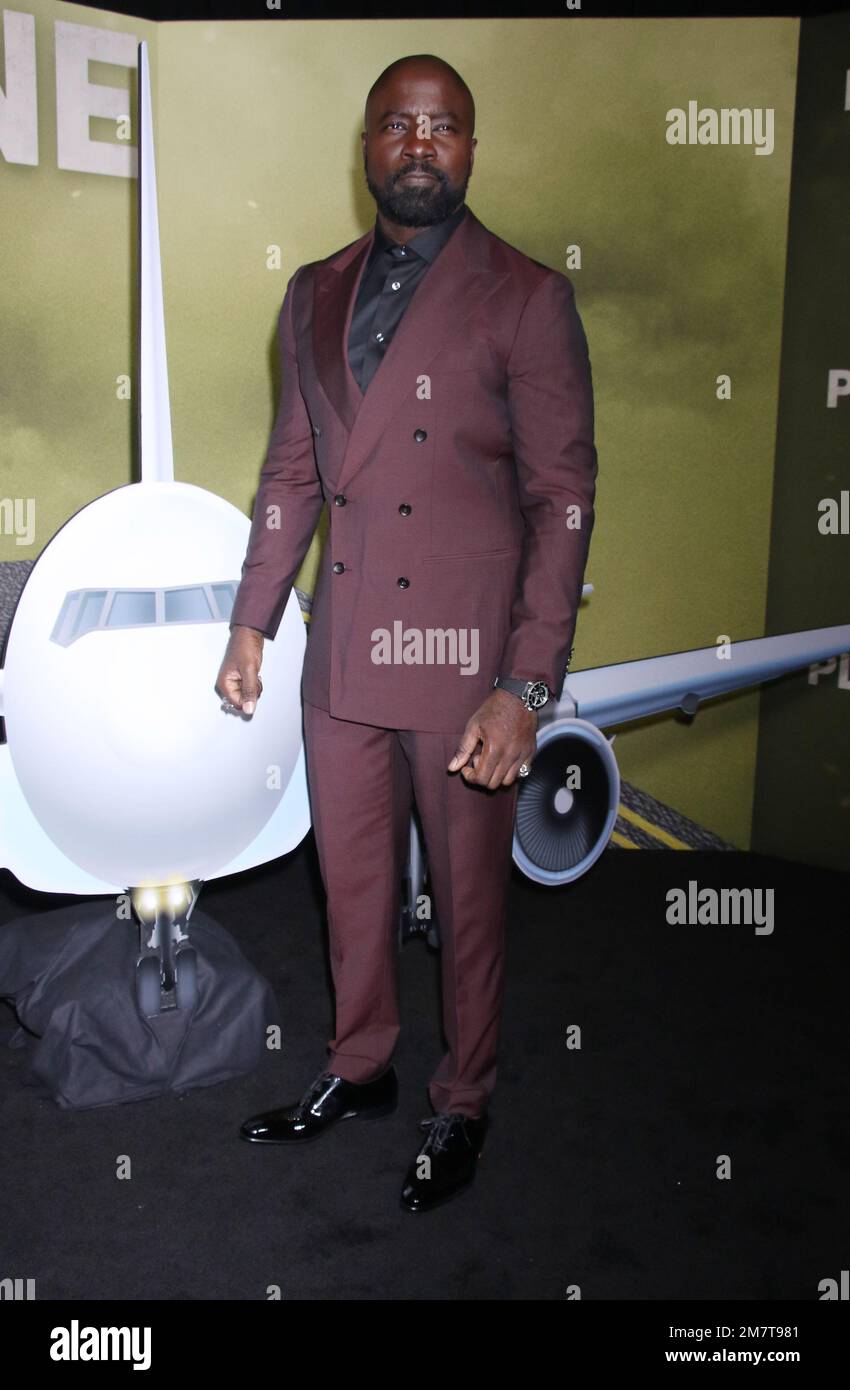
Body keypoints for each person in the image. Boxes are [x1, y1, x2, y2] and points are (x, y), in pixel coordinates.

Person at [216, 52, 597, 1214]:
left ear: (470, 150)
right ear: (367, 149)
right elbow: (291, 469)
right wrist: (253, 618)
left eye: (442, 127)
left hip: (462, 668)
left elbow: (562, 501)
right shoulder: (314, 291)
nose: (418, 144)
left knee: (470, 901)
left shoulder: (526, 296)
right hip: (341, 659)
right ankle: (360, 1064)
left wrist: (525, 689)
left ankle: (462, 1097)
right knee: (351, 885)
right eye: (396, 125)